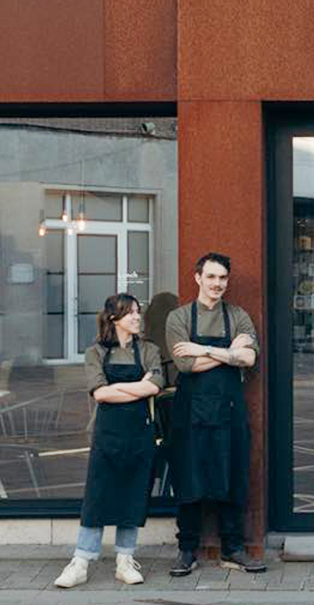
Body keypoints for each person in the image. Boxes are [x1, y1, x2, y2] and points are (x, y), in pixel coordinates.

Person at [54, 293, 165, 589]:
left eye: (138, 312)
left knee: (133, 494)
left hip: (140, 433)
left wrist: (122, 387)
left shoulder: (150, 350)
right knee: (98, 496)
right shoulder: (96, 352)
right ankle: (80, 562)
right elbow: (100, 393)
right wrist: (138, 386)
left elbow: (156, 386)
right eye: (131, 313)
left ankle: (124, 561)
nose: (137, 317)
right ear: (114, 317)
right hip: (107, 434)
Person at [166, 252, 266, 576]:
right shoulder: (179, 318)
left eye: (223, 278)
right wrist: (229, 353)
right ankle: (186, 550)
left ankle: (234, 548)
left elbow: (249, 359)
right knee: (189, 477)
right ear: (198, 278)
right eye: (211, 277)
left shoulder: (237, 315)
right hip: (190, 412)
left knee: (232, 476)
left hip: (229, 411)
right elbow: (184, 365)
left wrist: (204, 349)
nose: (217, 284)